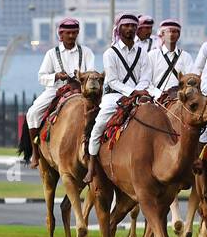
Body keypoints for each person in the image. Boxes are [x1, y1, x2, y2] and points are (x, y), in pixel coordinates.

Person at [85, 13, 153, 183]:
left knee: (160, 115)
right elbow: (113, 80)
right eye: (126, 26)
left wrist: (138, 92)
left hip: (140, 94)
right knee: (98, 126)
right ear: (119, 29)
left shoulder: (142, 52)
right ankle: (92, 165)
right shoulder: (110, 53)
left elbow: (146, 77)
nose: (130, 29)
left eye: (132, 26)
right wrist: (132, 92)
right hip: (115, 95)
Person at [23, 17, 95, 164]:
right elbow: (41, 77)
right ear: (60, 35)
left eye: (74, 33)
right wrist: (56, 76)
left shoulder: (86, 52)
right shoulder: (51, 53)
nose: (71, 36)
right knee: (32, 113)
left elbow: (92, 73)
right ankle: (35, 152)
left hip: (81, 90)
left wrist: (81, 77)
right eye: (68, 33)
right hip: (56, 90)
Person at [149, 19, 193, 96]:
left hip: (180, 99)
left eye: (174, 32)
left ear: (178, 35)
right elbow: (147, 81)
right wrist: (159, 94)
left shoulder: (186, 56)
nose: (171, 34)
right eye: (168, 31)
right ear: (162, 34)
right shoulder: (152, 55)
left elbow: (191, 80)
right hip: (157, 99)